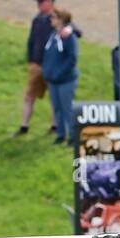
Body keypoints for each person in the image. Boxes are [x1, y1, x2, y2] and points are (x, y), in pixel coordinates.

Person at [18, 0, 56, 136]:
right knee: (29, 96)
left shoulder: (57, 18)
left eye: (42, 2)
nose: (39, 4)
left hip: (52, 65)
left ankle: (55, 126)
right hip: (37, 64)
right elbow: (31, 40)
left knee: (54, 96)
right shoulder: (37, 19)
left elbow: (74, 30)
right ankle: (24, 126)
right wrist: (31, 59)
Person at [42, 8, 80, 146]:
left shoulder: (69, 37)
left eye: (53, 17)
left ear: (61, 20)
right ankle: (61, 134)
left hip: (65, 80)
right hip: (53, 80)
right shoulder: (54, 35)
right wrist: (47, 72)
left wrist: (59, 73)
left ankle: (73, 136)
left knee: (67, 108)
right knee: (57, 108)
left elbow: (72, 59)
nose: (50, 19)